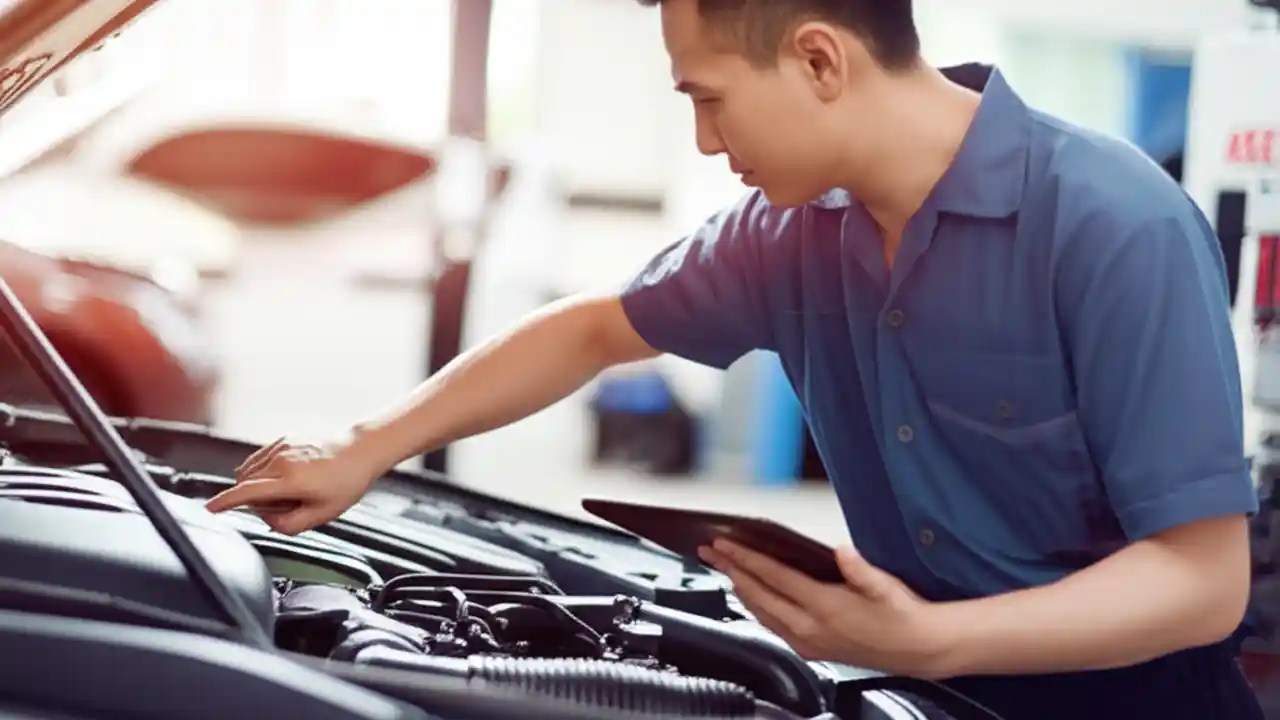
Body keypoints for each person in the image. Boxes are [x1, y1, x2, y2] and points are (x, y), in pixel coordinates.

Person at [205, 0, 1264, 717]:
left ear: (816, 60)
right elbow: (590, 330)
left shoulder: (1111, 225)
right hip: (924, 695)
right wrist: (363, 447)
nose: (707, 141)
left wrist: (929, 641)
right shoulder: (784, 234)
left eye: (706, 96)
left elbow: (1200, 582)